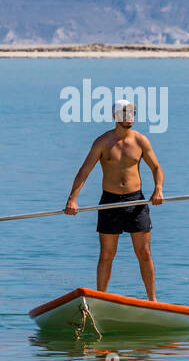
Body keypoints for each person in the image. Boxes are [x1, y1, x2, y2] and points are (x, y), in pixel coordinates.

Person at [64, 98, 164, 300]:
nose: (129, 117)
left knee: (144, 253)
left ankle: (153, 300)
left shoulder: (140, 141)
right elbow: (84, 171)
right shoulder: (102, 142)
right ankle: (101, 298)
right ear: (115, 116)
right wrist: (72, 199)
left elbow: (156, 168)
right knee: (107, 255)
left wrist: (158, 189)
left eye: (132, 113)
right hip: (110, 202)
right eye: (125, 113)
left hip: (136, 202)